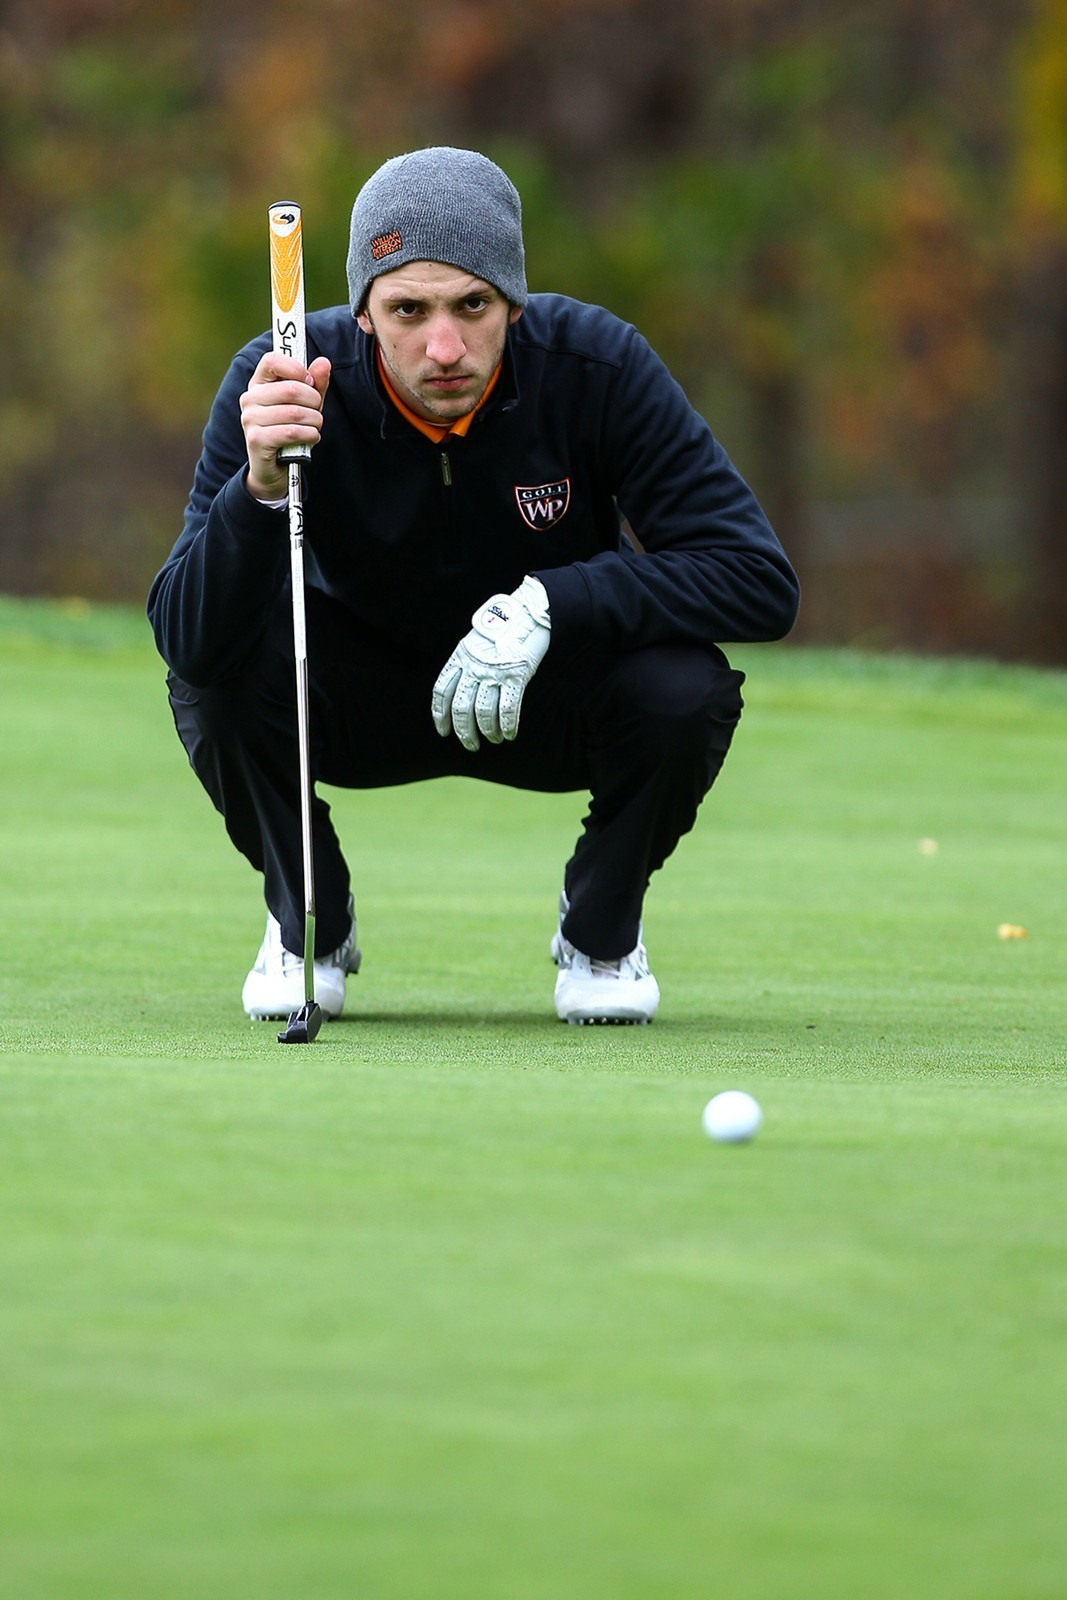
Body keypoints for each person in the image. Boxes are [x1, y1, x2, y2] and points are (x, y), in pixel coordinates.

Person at [148, 146, 799, 1027]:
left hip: (545, 692)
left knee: (682, 686)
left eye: (472, 306)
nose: (444, 346)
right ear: (364, 315)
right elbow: (188, 642)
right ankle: (311, 923)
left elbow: (758, 581)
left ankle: (600, 933)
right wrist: (257, 488)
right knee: (216, 683)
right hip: (354, 698)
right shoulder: (281, 381)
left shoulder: (598, 366)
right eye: (407, 310)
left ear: (515, 305)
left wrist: (554, 602)